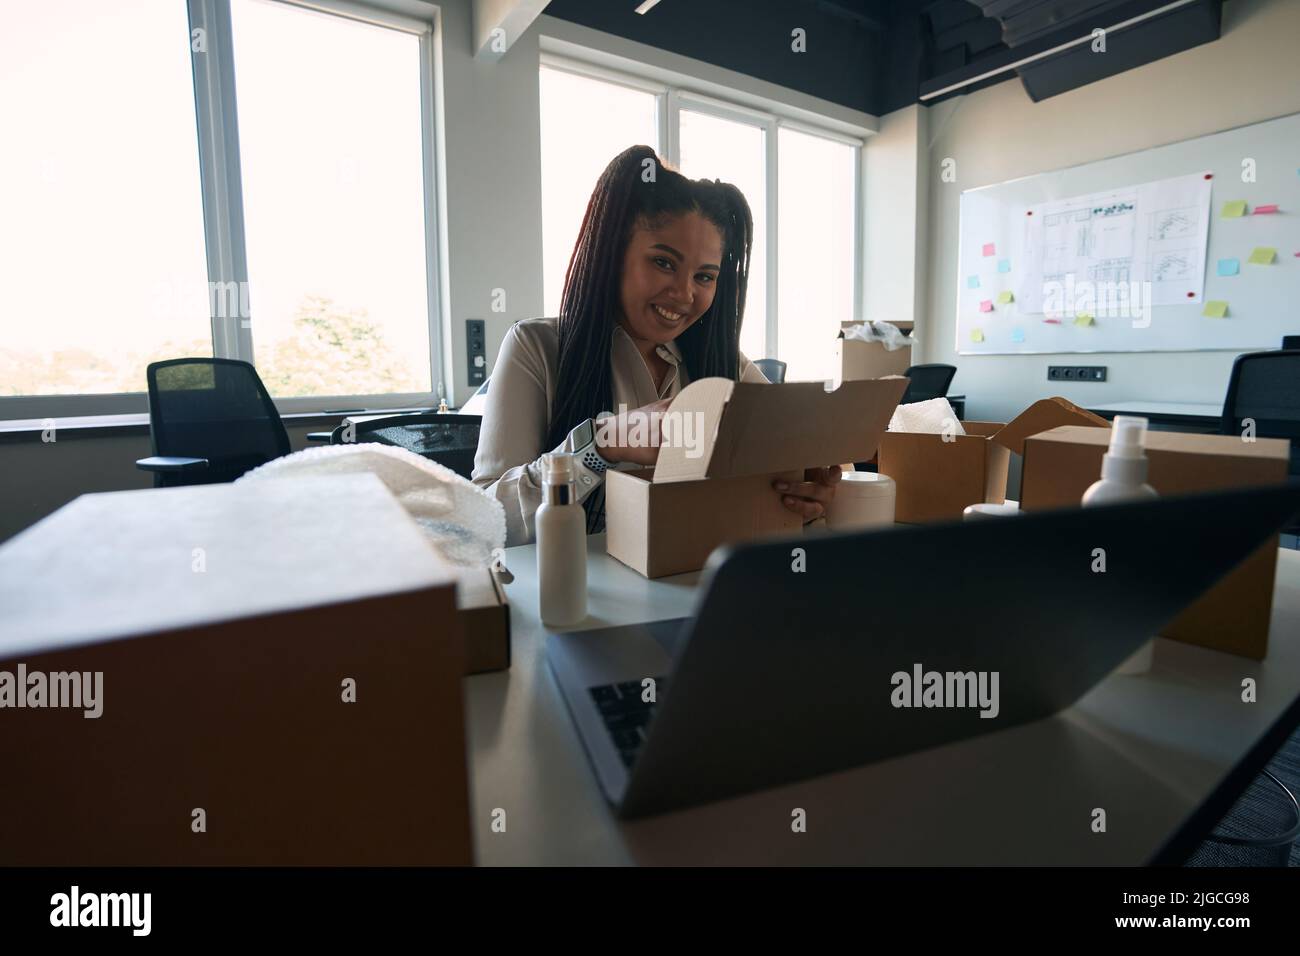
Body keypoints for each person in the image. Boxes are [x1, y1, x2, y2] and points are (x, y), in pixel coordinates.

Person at [472, 145, 840, 546]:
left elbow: (790, 460)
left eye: (704, 277)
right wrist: (604, 443)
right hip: (575, 595)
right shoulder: (537, 348)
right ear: (612, 255)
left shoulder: (726, 364)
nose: (684, 294)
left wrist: (806, 493)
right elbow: (485, 518)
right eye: (664, 263)